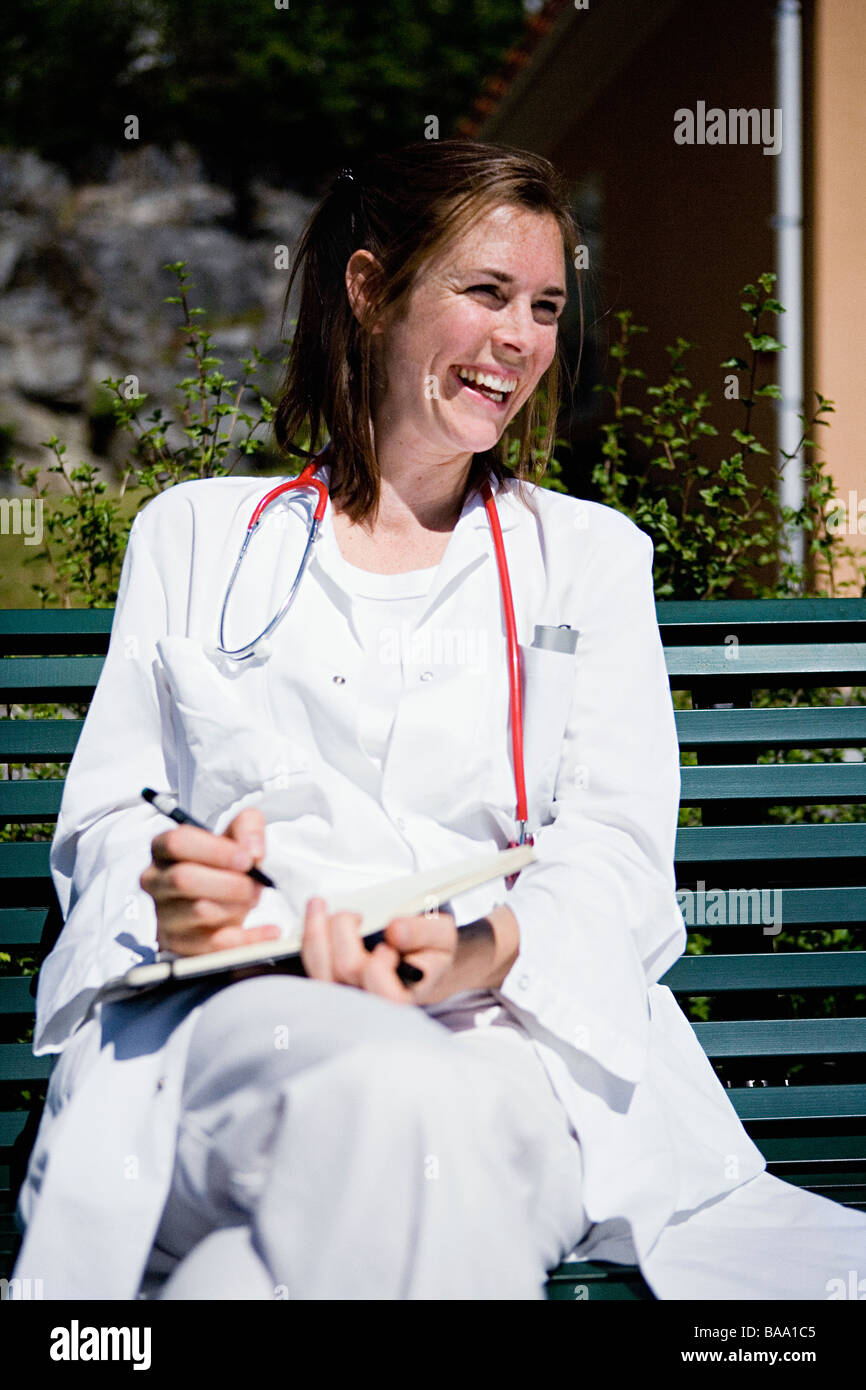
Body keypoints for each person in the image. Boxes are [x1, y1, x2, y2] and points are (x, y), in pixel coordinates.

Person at [8, 140, 866, 1301]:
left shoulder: (588, 560)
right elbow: (111, 820)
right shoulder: (198, 536)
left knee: (254, 1267)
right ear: (367, 290)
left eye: (546, 306)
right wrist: (171, 883)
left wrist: (480, 950)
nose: (519, 340)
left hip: (508, 1035)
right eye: (486, 293)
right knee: (388, 1102)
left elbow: (614, 847)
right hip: (248, 1019)